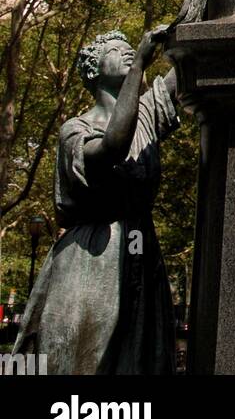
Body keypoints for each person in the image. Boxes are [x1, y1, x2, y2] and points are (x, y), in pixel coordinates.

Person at [13, 27, 179, 374]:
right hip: (91, 256)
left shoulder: (146, 112)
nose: (128, 52)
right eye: (116, 50)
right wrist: (140, 69)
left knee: (138, 362)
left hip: (140, 254)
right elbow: (113, 147)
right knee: (83, 360)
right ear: (92, 70)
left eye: (128, 48)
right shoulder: (75, 129)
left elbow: (190, 66)